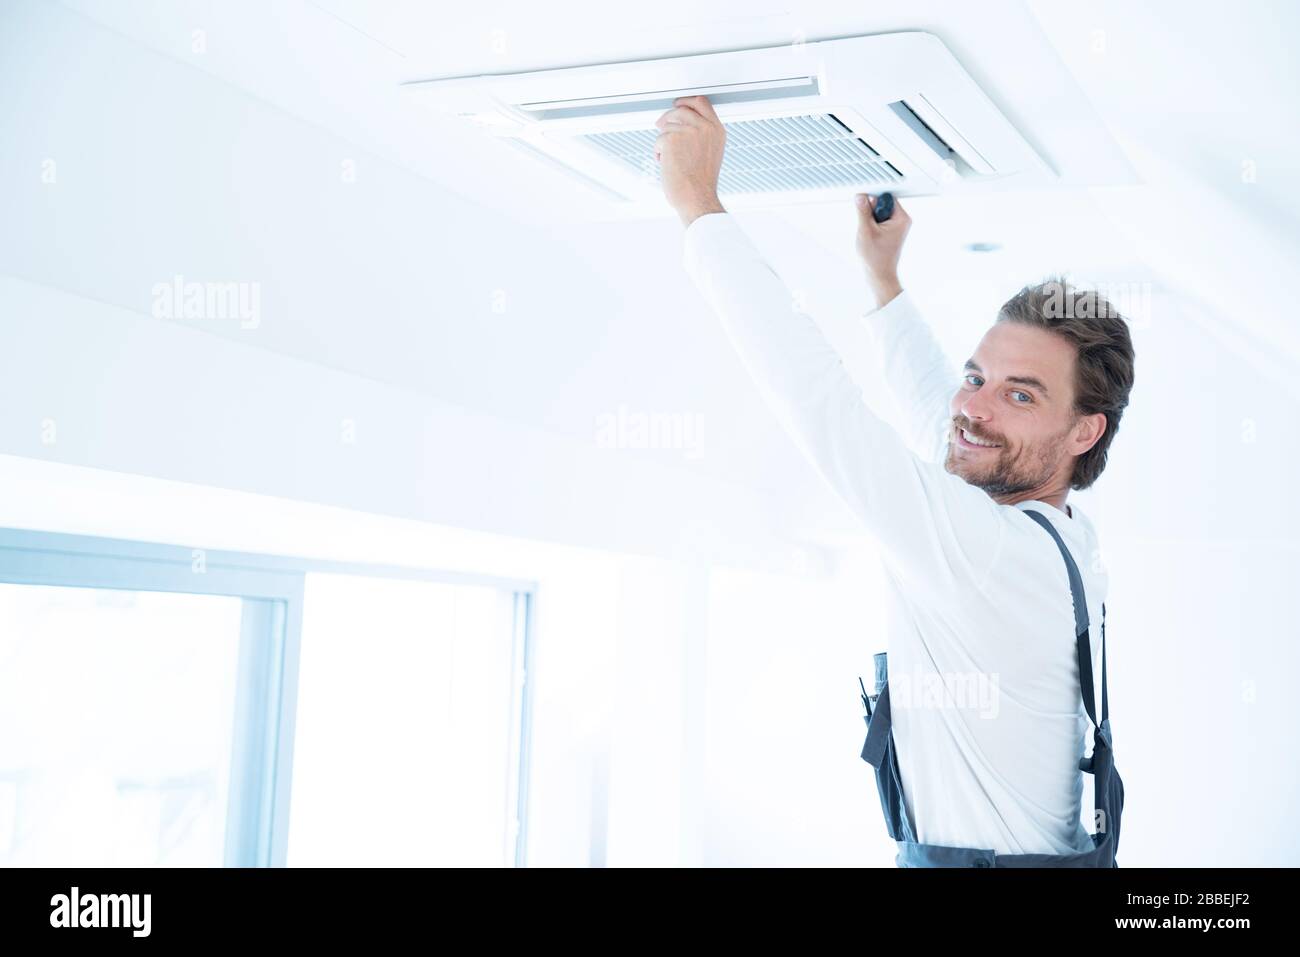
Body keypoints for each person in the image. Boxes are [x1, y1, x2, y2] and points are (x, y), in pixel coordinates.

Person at [656, 95, 1135, 859]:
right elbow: (939, 421)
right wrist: (885, 283)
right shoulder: (1054, 537)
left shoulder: (992, 551)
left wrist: (700, 209)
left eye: (1021, 392)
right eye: (978, 375)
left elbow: (825, 408)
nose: (972, 406)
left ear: (1084, 430)